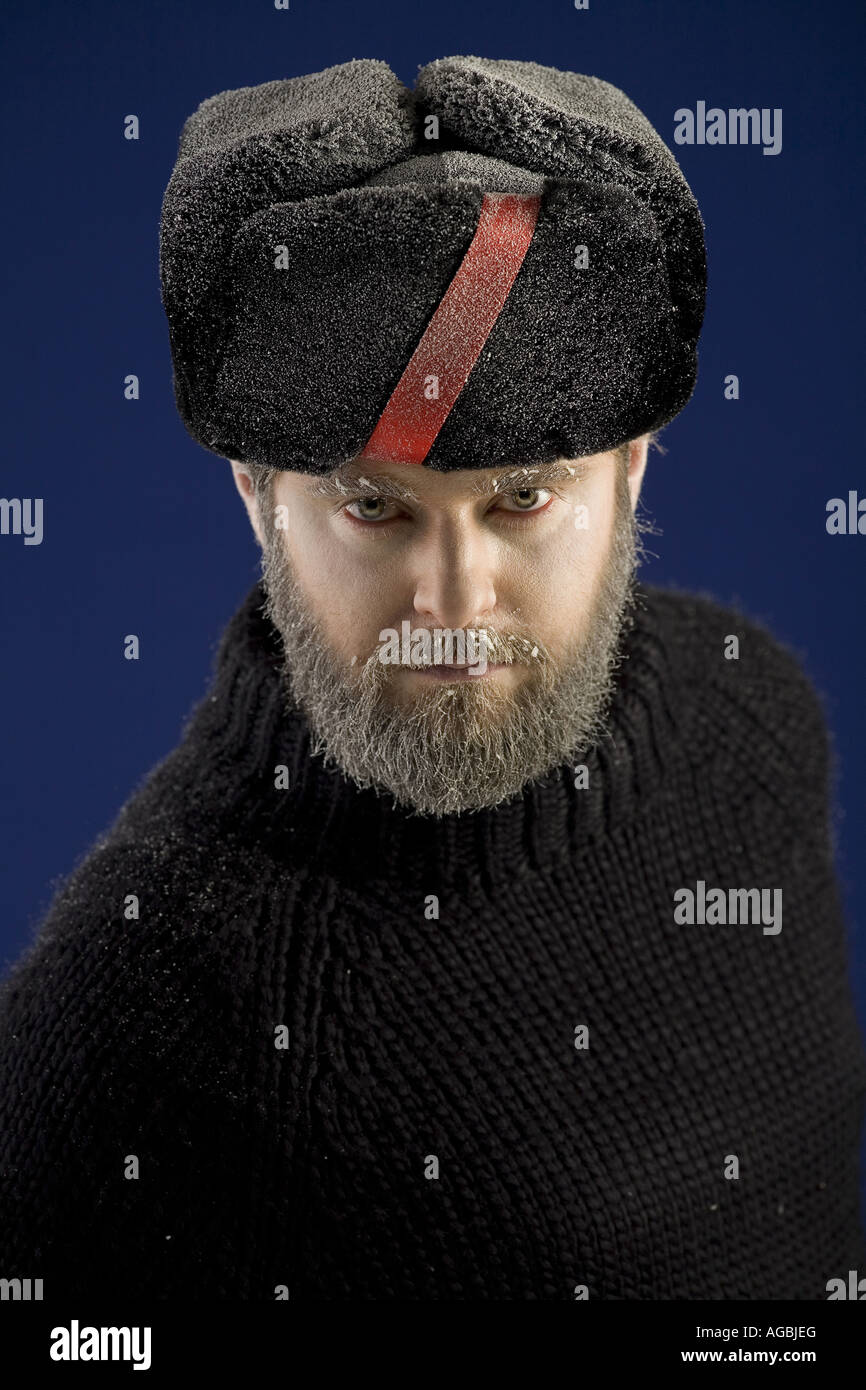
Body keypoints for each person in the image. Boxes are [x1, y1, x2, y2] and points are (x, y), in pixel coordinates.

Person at [1, 55, 863, 1302]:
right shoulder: (123, 1016)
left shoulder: (757, 722)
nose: (451, 605)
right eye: (372, 507)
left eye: (520, 498)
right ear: (258, 496)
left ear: (629, 470)